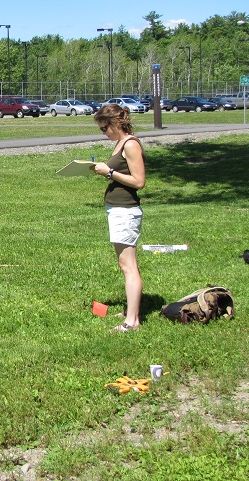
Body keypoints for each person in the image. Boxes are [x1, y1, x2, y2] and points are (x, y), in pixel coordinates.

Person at [93, 103, 146, 332]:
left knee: (128, 266)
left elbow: (139, 181)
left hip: (126, 211)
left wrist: (110, 172)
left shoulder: (131, 144)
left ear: (115, 123)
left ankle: (132, 321)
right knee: (124, 264)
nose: (103, 132)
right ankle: (129, 310)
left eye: (105, 128)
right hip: (117, 209)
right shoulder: (119, 144)